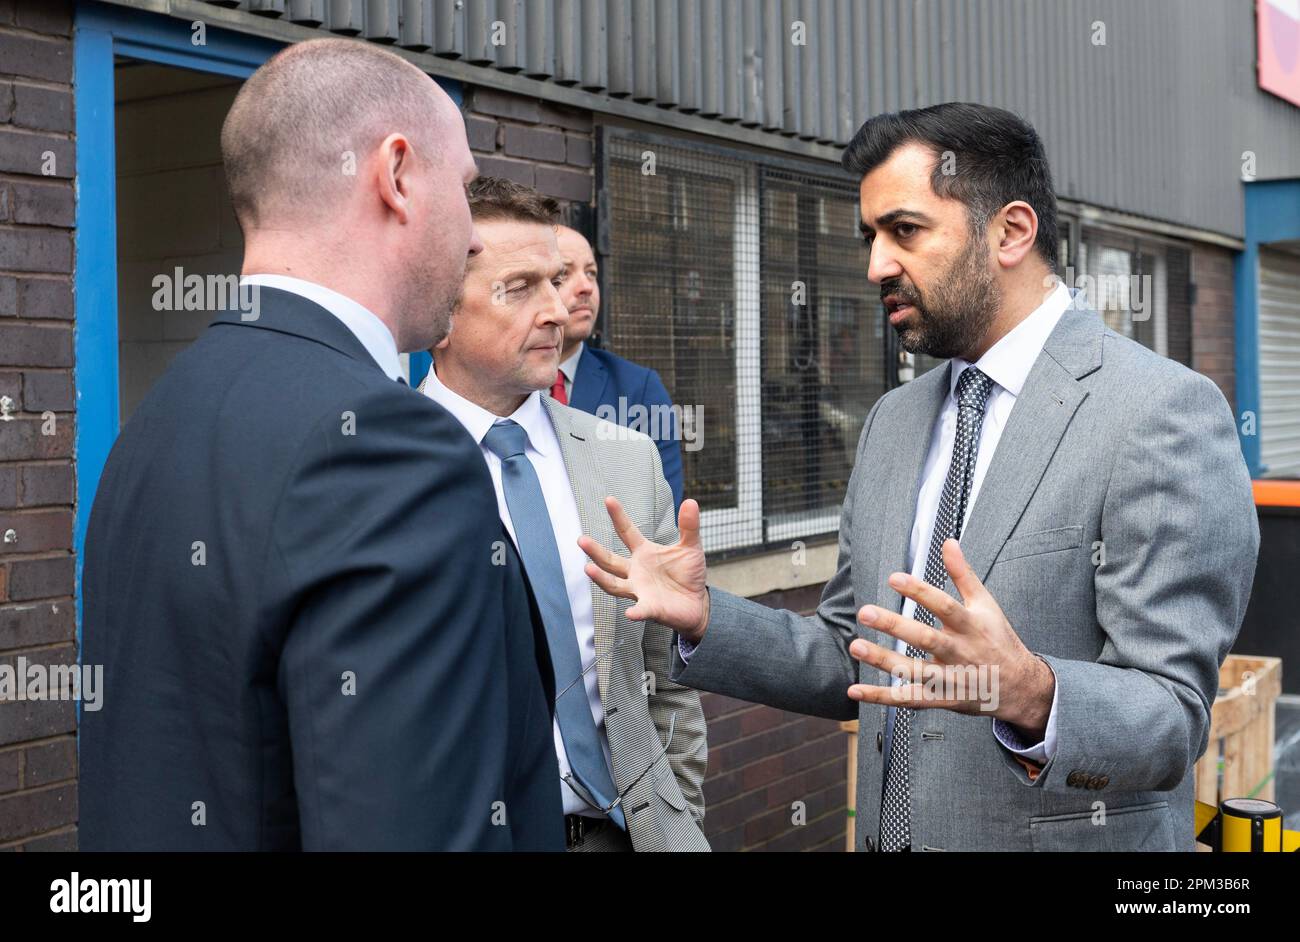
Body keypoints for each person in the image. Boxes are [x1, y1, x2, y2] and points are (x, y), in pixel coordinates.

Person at [579, 102, 1259, 852]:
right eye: (870, 237)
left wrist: (1031, 690)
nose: (875, 265)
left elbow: (1173, 717)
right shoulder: (895, 420)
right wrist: (708, 616)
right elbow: (854, 651)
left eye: (905, 231)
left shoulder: (1158, 412)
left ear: (1011, 231)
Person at [79, 39, 562, 851]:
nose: (476, 238)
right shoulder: (391, 445)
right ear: (398, 174)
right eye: (467, 189)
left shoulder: (153, 423)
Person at [421, 177, 709, 851]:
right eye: (520, 288)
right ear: (439, 312)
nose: (557, 309)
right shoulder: (380, 466)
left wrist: (679, 816)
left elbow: (665, 676)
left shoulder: (626, 460)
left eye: (558, 281)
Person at [552, 225, 685, 509]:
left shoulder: (639, 389)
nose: (586, 286)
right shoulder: (501, 387)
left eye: (591, 273)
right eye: (563, 274)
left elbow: (661, 515)